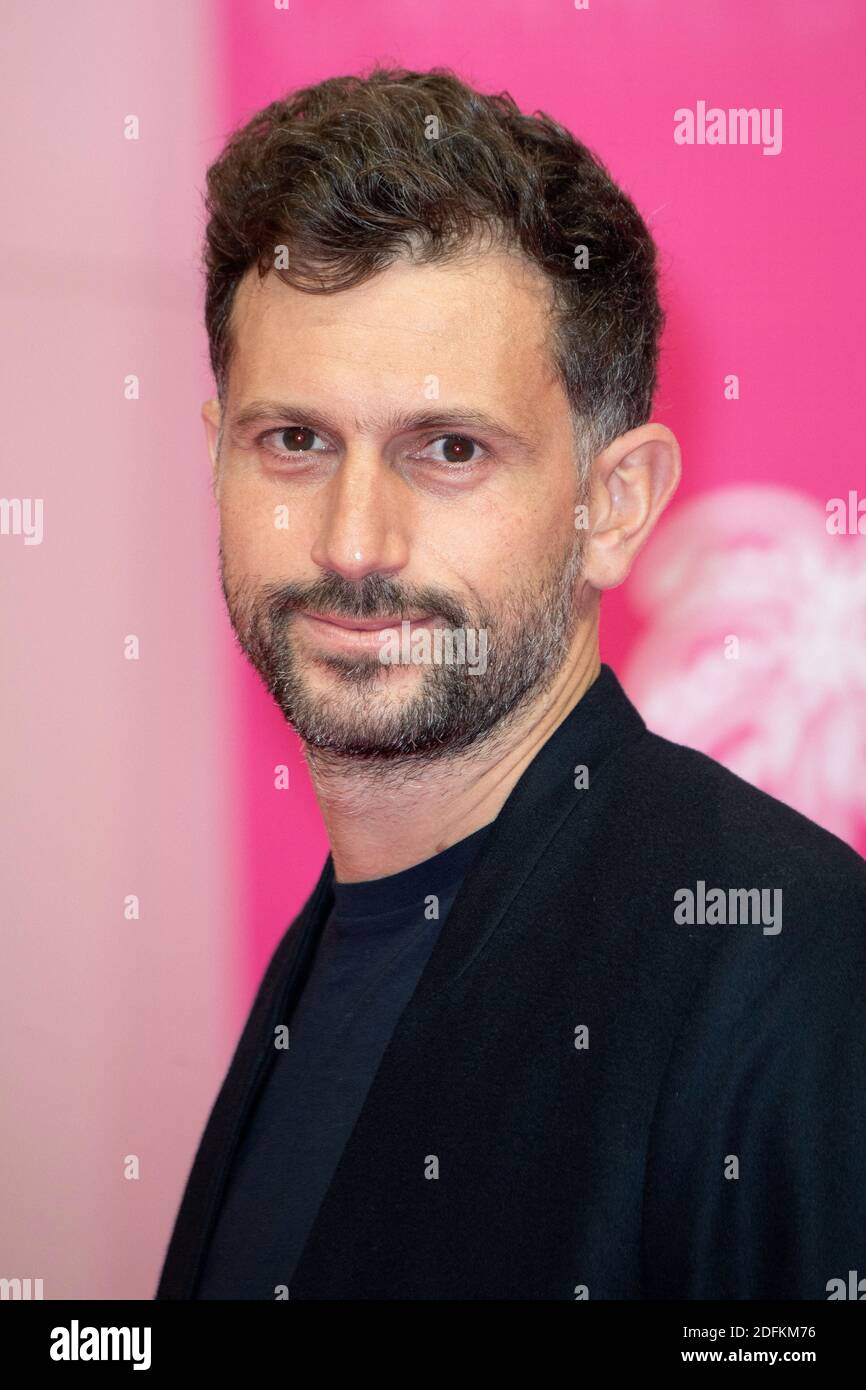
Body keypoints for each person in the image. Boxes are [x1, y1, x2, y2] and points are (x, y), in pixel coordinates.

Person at [156, 67, 866, 1300]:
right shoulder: (332, 952)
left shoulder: (785, 966)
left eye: (447, 450)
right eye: (295, 441)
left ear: (613, 504)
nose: (353, 541)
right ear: (214, 455)